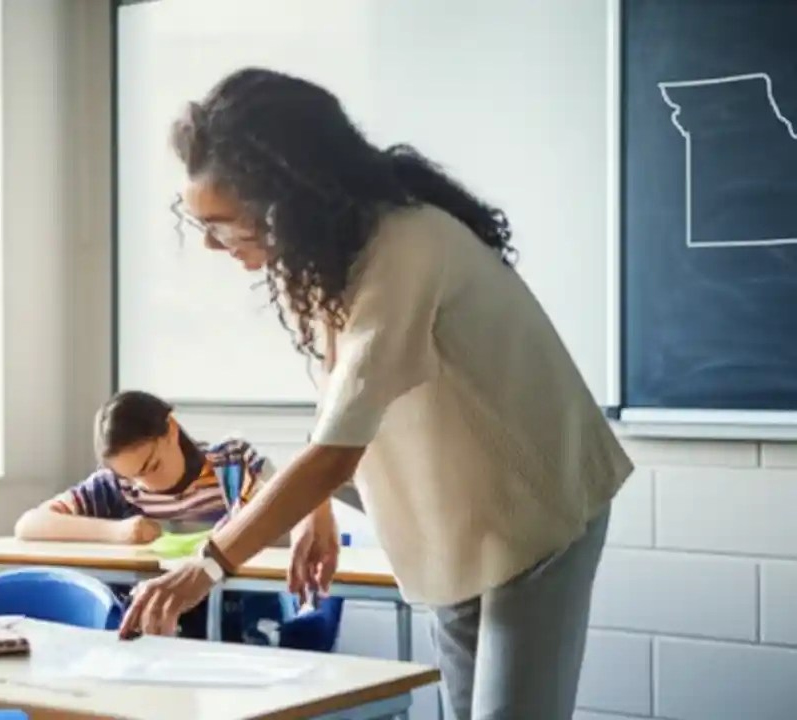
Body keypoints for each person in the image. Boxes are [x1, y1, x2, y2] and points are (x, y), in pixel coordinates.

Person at [118, 68, 632, 720]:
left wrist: (206, 566)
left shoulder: (407, 245)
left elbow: (337, 450)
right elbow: (337, 399)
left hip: (535, 503)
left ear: (286, 198)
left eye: (225, 226)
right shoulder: (316, 261)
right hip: (458, 517)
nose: (214, 246)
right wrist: (317, 513)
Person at [15, 389, 323, 641]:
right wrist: (119, 532)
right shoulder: (118, 486)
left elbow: (298, 503)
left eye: (151, 466)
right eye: (131, 476)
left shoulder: (232, 465)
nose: (144, 484)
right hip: (161, 629)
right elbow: (29, 524)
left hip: (240, 617)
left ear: (171, 430)